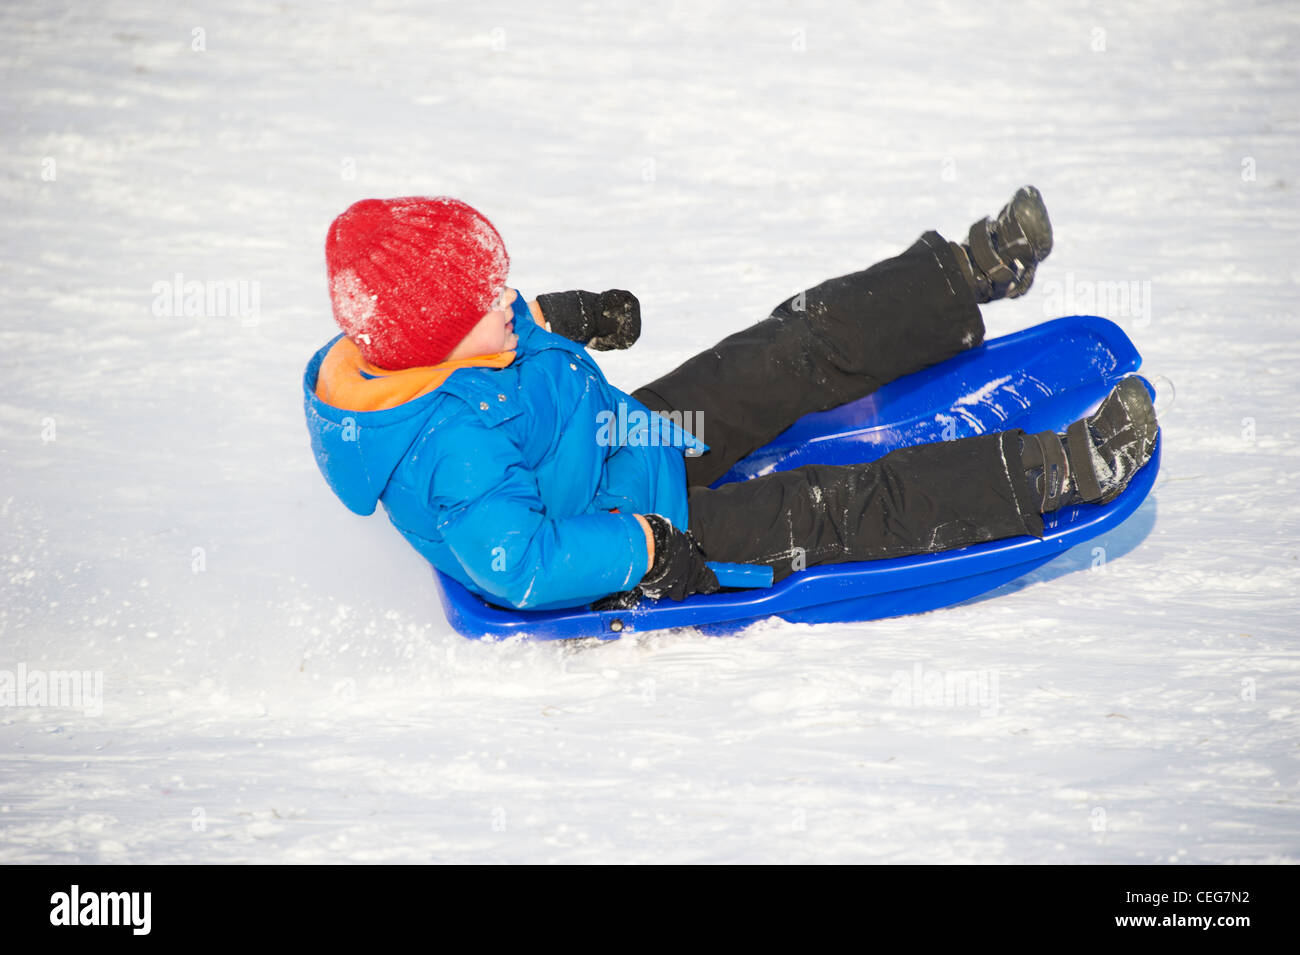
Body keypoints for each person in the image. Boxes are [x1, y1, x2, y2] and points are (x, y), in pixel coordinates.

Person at [303, 189, 1158, 612]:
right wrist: (644, 548)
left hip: (629, 439)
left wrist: (573, 316)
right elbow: (521, 564)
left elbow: (504, 329)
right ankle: (1055, 472)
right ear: (434, 341)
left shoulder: (434, 344)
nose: (511, 303)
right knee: (835, 506)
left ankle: (962, 276)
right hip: (660, 537)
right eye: (491, 300)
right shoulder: (449, 452)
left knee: (779, 353)